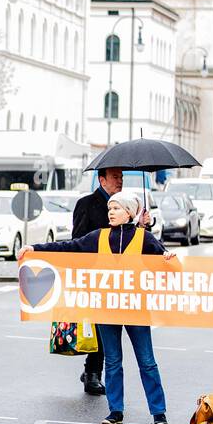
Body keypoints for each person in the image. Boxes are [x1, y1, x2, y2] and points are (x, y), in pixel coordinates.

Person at [20, 192, 175, 424]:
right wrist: (35, 248)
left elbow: (169, 264)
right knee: (113, 361)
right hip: (106, 309)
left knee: (147, 361)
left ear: (130, 213)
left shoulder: (145, 239)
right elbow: (68, 247)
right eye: (109, 208)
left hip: (136, 309)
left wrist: (170, 258)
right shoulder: (98, 237)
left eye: (116, 208)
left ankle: (159, 412)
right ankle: (116, 411)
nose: (110, 212)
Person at [70, 167, 155, 397]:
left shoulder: (127, 205)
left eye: (122, 177)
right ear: (101, 179)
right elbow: (77, 240)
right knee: (99, 326)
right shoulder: (87, 204)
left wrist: (142, 224)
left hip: (123, 279)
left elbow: (137, 241)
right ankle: (93, 372)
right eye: (115, 177)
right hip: (96, 274)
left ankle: (93, 371)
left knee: (106, 325)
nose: (120, 181)